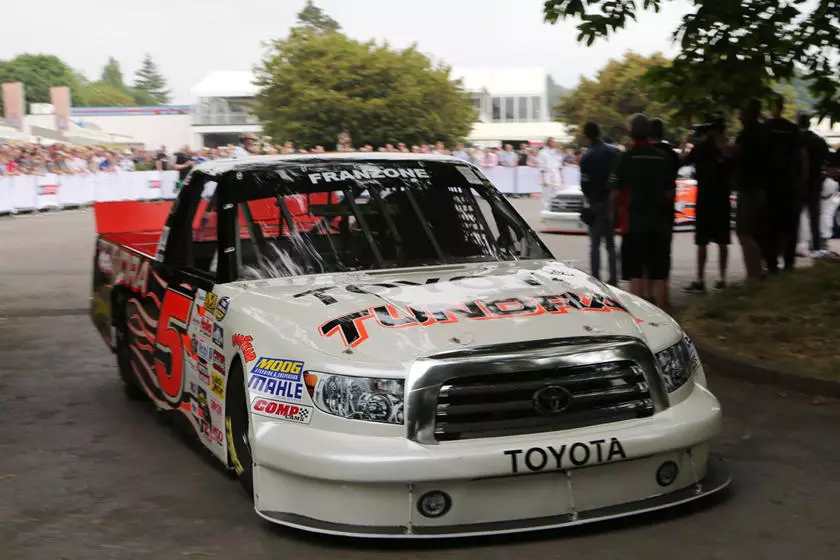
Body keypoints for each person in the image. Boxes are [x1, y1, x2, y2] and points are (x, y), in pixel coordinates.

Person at [609, 114, 675, 309]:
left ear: (630, 133)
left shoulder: (626, 157)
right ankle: (664, 321)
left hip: (634, 225)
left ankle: (641, 320)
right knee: (659, 276)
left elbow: (614, 193)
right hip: (659, 225)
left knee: (636, 275)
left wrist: (614, 218)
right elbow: (670, 192)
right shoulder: (662, 157)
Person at [681, 117, 732, 292]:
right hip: (719, 198)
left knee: (706, 241)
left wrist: (685, 143)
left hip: (706, 198)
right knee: (719, 241)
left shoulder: (706, 148)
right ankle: (720, 279)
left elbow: (683, 160)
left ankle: (702, 279)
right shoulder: (720, 147)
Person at [764, 94, 806, 272]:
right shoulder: (793, 129)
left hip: (770, 185)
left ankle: (772, 263)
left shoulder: (764, 129)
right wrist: (802, 181)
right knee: (790, 226)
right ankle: (789, 262)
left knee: (771, 226)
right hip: (791, 184)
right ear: (782, 107)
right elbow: (803, 157)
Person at [731, 98, 768, 281]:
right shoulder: (763, 132)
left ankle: (754, 274)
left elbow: (731, 152)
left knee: (744, 232)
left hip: (749, 187)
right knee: (755, 232)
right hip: (761, 186)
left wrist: (719, 139)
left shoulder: (747, 134)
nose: (739, 116)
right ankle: (758, 270)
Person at [580, 121, 619, 286]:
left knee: (595, 244)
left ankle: (596, 277)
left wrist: (590, 197)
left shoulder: (587, 156)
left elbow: (584, 183)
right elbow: (618, 176)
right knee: (610, 243)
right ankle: (613, 277)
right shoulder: (614, 152)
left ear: (587, 135)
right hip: (611, 202)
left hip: (595, 202)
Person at [649, 118, 681, 304]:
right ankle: (663, 290)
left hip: (647, 208)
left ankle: (649, 293)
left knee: (647, 253)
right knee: (664, 252)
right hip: (666, 207)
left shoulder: (642, 152)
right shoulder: (670, 154)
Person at [798, 113, 830, 254]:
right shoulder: (819, 140)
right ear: (809, 124)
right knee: (814, 218)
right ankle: (816, 248)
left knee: (794, 218)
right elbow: (827, 162)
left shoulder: (796, 140)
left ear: (799, 124)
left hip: (798, 183)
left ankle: (792, 249)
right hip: (815, 183)